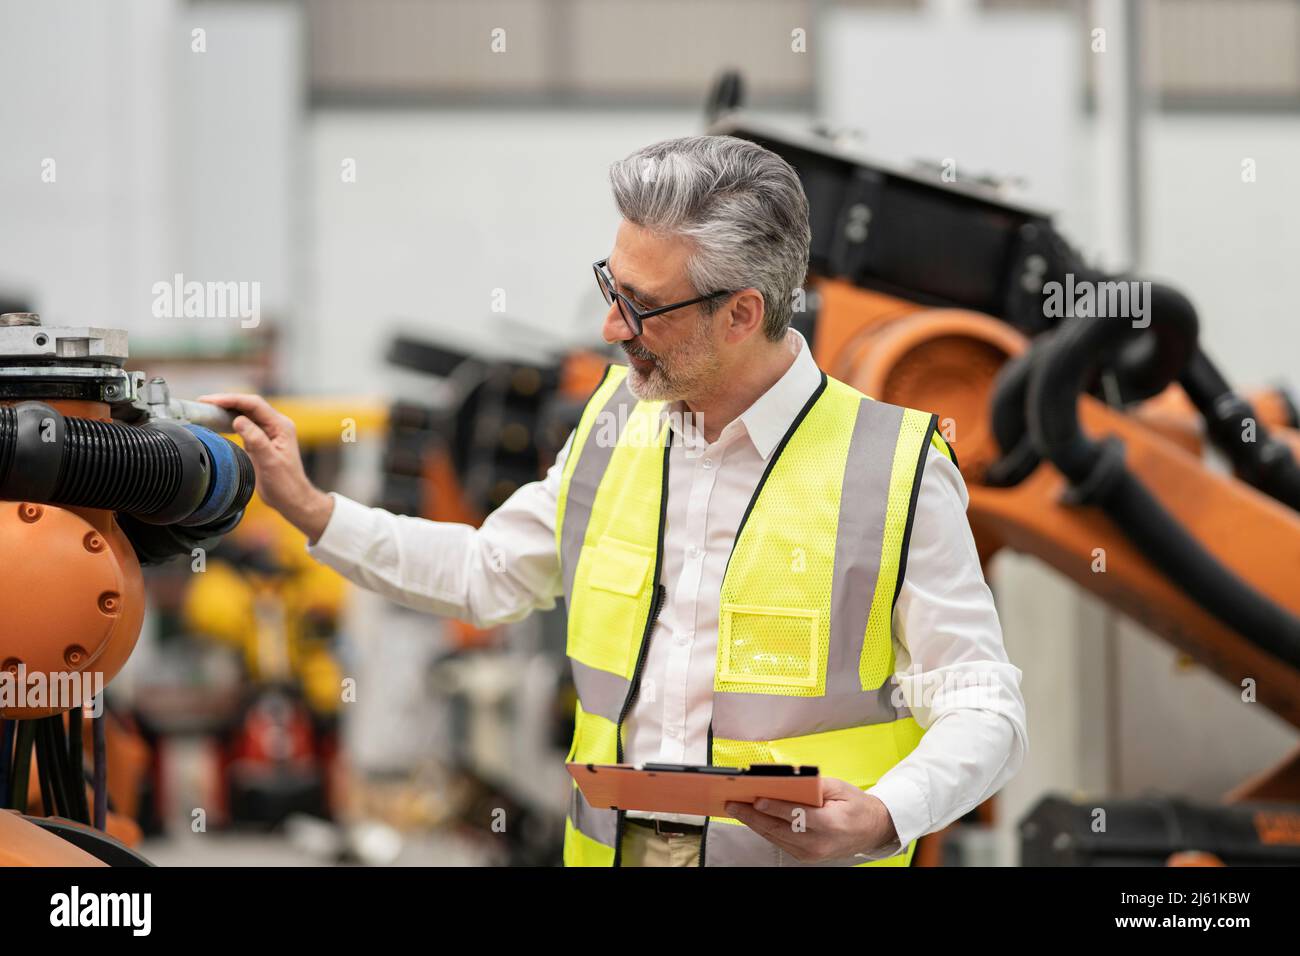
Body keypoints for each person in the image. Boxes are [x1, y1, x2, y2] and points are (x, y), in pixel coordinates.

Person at [202, 134, 1027, 867]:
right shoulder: (614, 423)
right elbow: (490, 571)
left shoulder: (896, 470)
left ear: (742, 314)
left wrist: (886, 815)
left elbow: (983, 705)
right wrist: (312, 509)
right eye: (610, 284)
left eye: (641, 305)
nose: (608, 325)